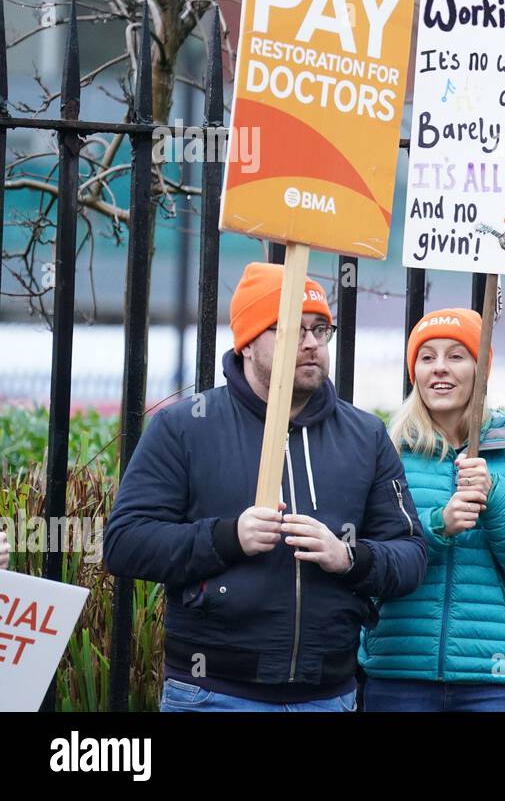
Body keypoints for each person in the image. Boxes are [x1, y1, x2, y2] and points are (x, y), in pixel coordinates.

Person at [104, 262, 427, 712]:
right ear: (249, 341)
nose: (312, 343)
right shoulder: (185, 427)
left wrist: (348, 557)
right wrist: (227, 537)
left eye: (320, 329)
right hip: (212, 693)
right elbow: (124, 543)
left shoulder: (365, 434)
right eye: (293, 329)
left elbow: (411, 554)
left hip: (328, 696)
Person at [358, 308, 505, 712]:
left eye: (456, 355)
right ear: (415, 372)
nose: (440, 369)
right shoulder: (387, 451)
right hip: (398, 672)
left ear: (481, 370)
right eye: (427, 357)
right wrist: (437, 527)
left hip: (489, 681)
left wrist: (495, 496)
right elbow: (365, 562)